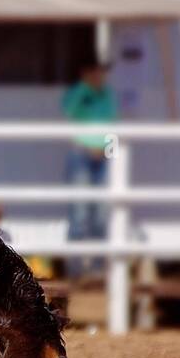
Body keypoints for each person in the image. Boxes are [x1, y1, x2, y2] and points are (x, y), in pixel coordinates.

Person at [62, 62, 118, 265]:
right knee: (79, 212)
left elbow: (114, 123)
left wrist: (109, 152)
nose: (99, 76)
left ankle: (98, 269)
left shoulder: (109, 95)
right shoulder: (77, 93)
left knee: (102, 214)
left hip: (105, 157)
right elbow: (69, 111)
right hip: (81, 153)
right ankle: (76, 270)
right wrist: (85, 87)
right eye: (96, 71)